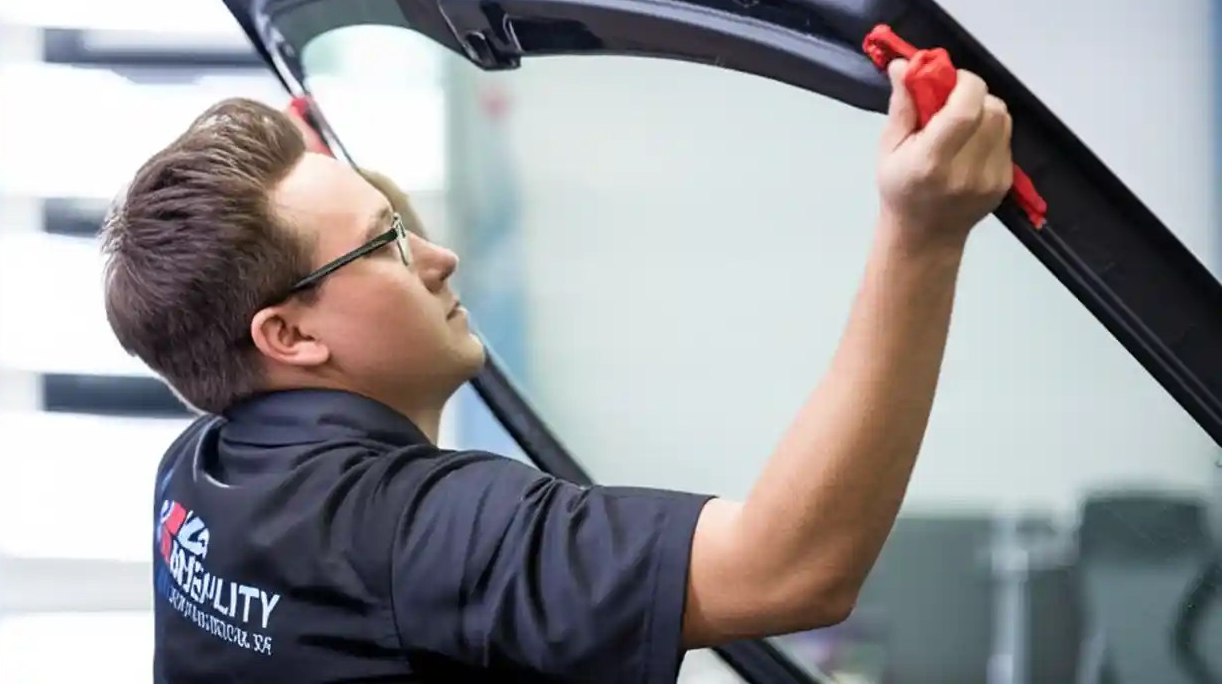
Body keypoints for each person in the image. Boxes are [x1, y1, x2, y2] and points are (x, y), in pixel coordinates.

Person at [102, 58, 1013, 682]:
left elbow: (324, 278)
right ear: (288, 336)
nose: (439, 258)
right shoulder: (422, 535)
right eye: (388, 244)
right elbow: (788, 570)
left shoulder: (198, 476)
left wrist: (345, 211)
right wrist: (921, 236)